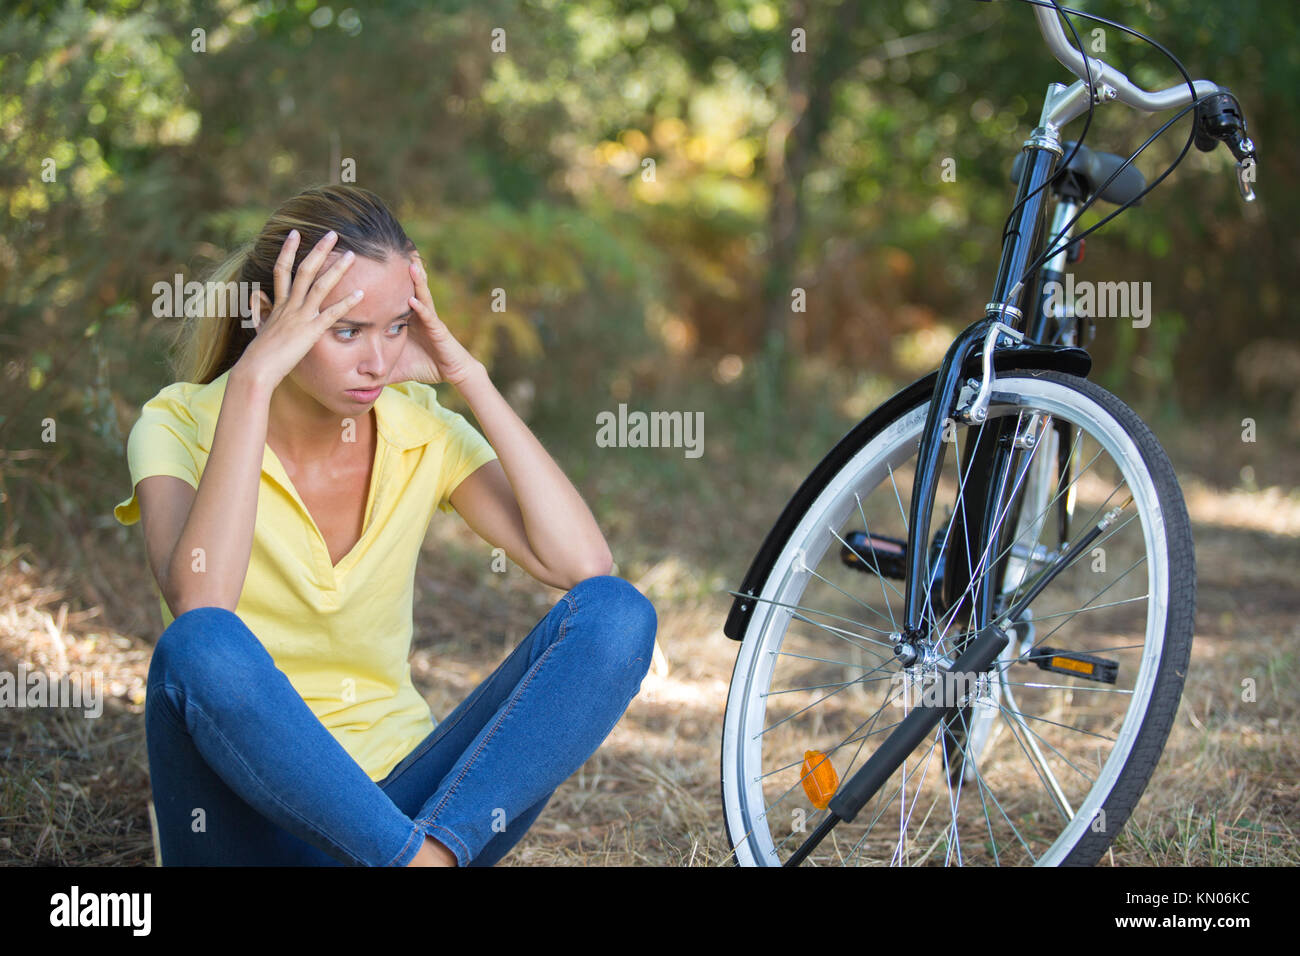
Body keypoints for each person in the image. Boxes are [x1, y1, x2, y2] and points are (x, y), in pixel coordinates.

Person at [112, 184, 658, 866]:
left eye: (395, 326)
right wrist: (253, 382)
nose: (376, 361)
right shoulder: (177, 424)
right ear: (266, 315)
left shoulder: (418, 428)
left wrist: (467, 374)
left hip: (412, 807)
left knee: (617, 615)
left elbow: (582, 565)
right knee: (198, 647)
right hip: (248, 826)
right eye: (345, 330)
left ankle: (420, 856)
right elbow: (201, 602)